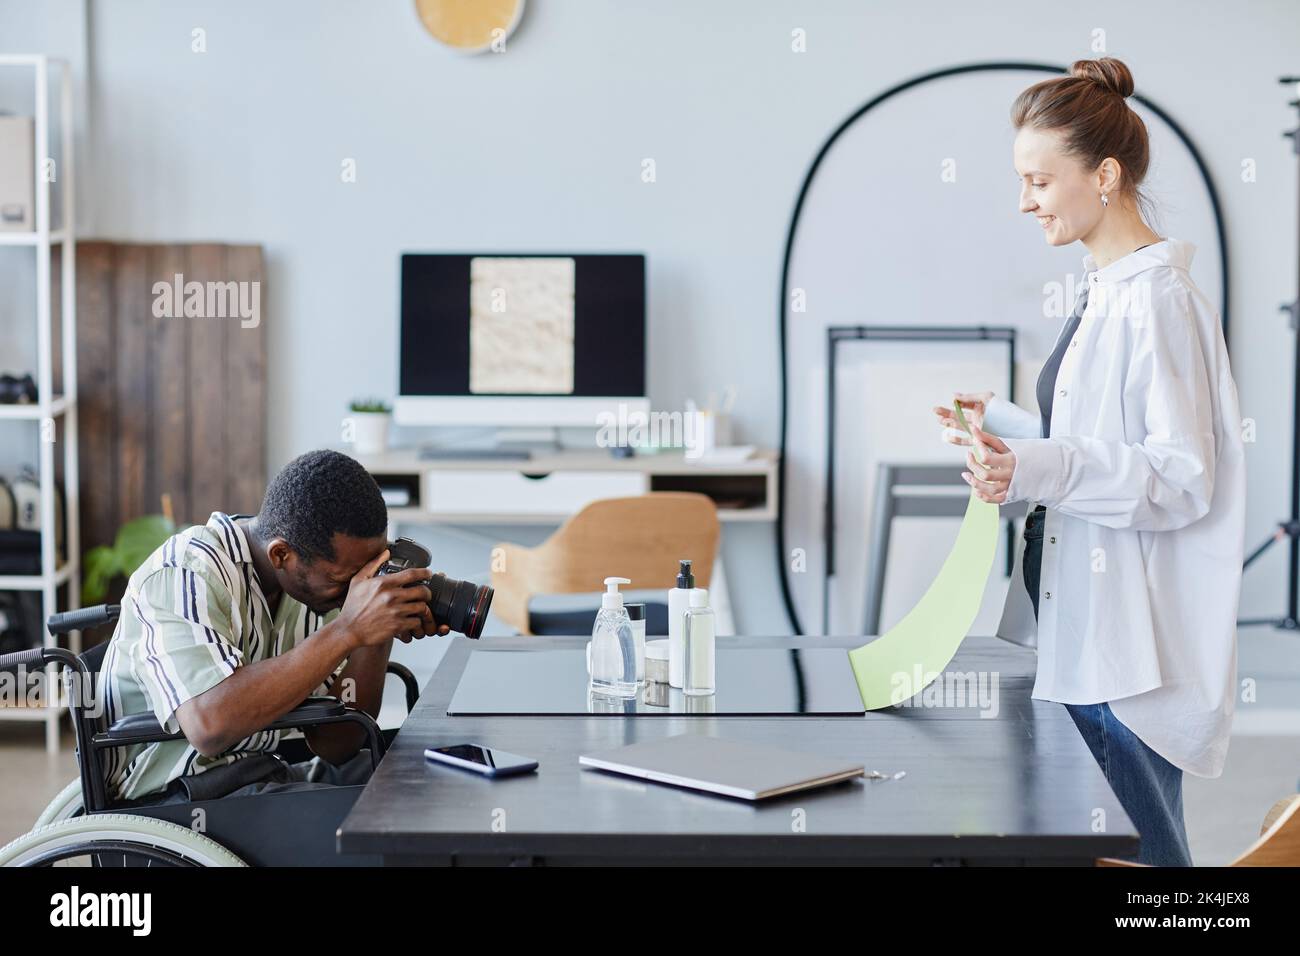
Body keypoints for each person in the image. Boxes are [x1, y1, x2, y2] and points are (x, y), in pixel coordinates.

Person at [932, 57, 1246, 867]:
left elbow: (1180, 478)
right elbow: (1094, 433)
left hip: (1126, 659)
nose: (1024, 201)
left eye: (1039, 181)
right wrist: (1002, 430)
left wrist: (1036, 466)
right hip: (1083, 637)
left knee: (1148, 876)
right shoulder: (1106, 288)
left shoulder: (1159, 301)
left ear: (1104, 175)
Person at [100, 449, 448, 804]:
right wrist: (348, 629)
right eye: (346, 580)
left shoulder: (317, 587)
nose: (354, 594)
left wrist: (377, 633)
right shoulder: (186, 572)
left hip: (266, 770)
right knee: (376, 821)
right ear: (281, 555)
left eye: (366, 577)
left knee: (426, 776)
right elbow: (210, 726)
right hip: (176, 793)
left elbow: (336, 743)